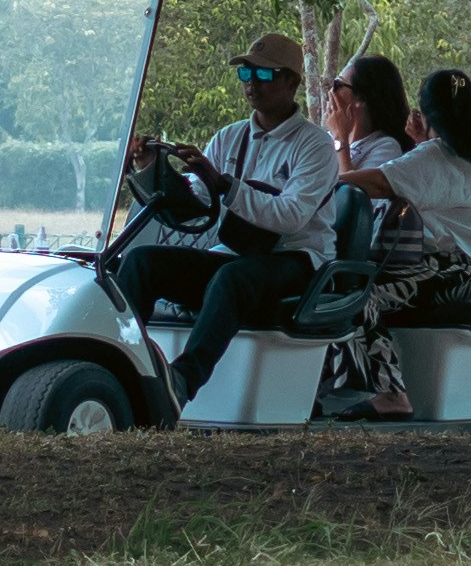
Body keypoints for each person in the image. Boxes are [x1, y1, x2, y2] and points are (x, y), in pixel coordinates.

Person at [118, 32, 337, 403]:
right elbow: (194, 206)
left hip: (297, 259)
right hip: (237, 255)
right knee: (141, 262)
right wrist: (151, 170)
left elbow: (291, 217)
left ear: (291, 82)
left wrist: (223, 184)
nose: (252, 82)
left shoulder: (314, 145)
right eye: (246, 74)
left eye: (264, 75)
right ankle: (123, 366)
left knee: (231, 277)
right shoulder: (229, 137)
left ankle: (183, 381)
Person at [337, 68, 471, 416]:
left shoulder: (436, 155)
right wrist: (423, 144)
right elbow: (441, 182)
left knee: (358, 293)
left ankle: (391, 394)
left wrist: (326, 164)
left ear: (423, 113)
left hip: (463, 270)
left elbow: (374, 183)